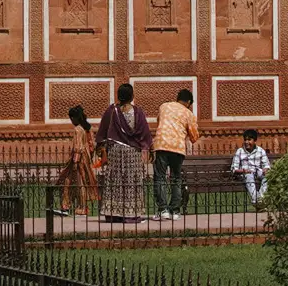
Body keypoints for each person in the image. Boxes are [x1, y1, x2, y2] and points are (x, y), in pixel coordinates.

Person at [95, 84, 151, 222]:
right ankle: (131, 214)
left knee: (116, 181)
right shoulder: (137, 112)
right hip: (132, 153)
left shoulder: (112, 111)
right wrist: (151, 148)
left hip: (115, 150)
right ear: (132, 96)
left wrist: (101, 148)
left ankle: (114, 213)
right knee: (131, 181)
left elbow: (102, 132)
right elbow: (145, 132)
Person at [151, 88, 200, 221]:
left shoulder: (164, 106)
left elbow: (160, 121)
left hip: (161, 145)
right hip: (177, 148)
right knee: (176, 179)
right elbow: (194, 137)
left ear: (177, 98)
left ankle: (163, 210)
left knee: (160, 178)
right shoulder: (188, 113)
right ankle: (175, 211)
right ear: (189, 102)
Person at [60, 105, 97, 216]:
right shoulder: (87, 128)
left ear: (75, 118)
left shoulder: (77, 130)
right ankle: (81, 207)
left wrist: (75, 162)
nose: (71, 121)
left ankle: (69, 207)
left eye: (71, 118)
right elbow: (91, 146)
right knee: (82, 183)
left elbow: (78, 147)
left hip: (78, 160)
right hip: (86, 159)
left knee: (68, 182)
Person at [229, 129, 271, 208]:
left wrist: (266, 169)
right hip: (245, 174)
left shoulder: (261, 151)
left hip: (258, 172)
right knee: (249, 176)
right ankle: (257, 201)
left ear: (255, 141)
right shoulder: (240, 151)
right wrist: (244, 170)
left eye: (249, 140)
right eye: (245, 140)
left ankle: (259, 200)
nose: (246, 142)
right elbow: (234, 169)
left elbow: (266, 165)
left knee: (268, 177)